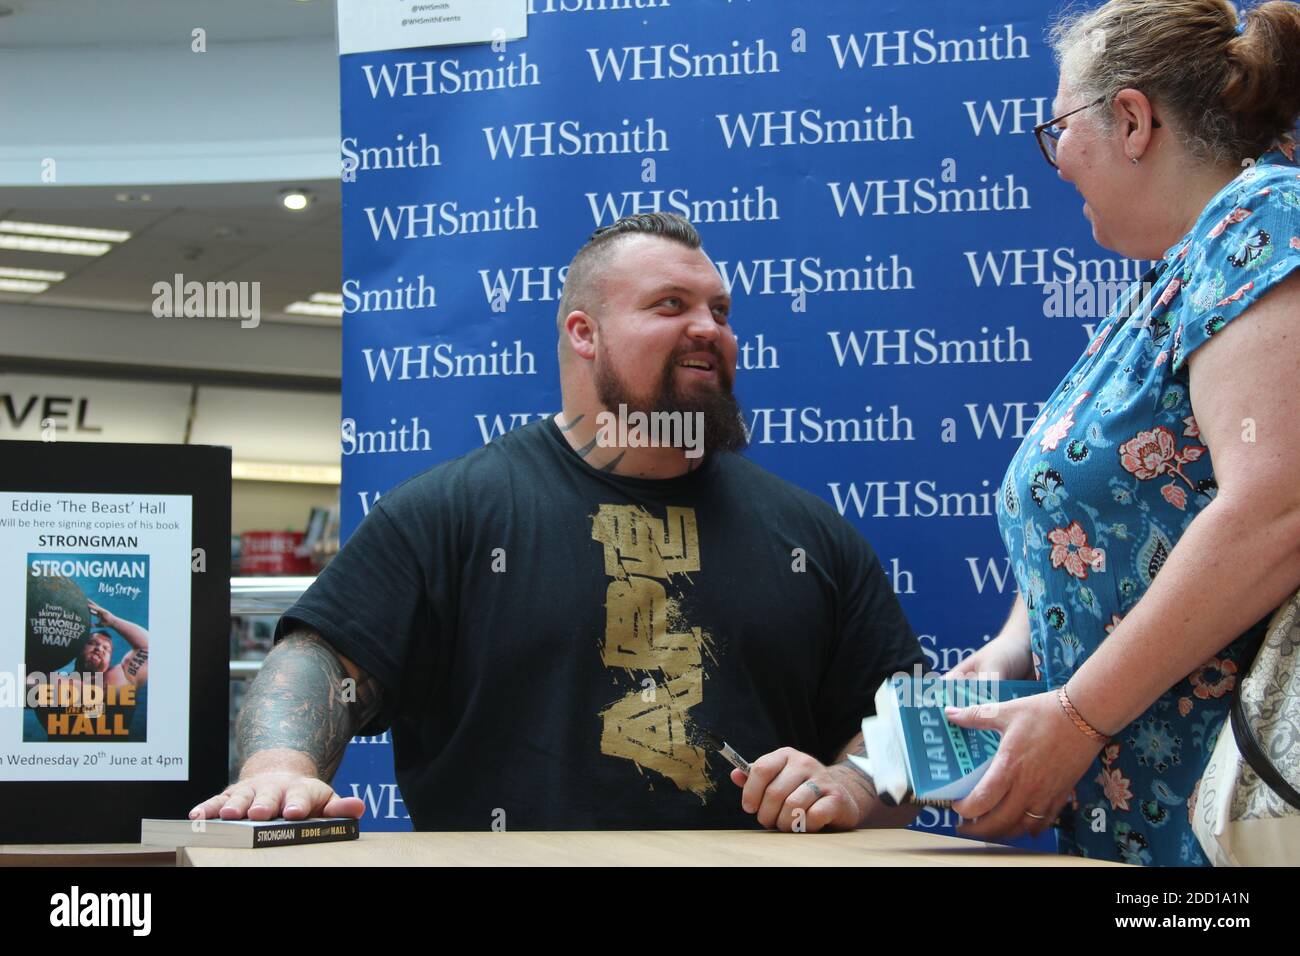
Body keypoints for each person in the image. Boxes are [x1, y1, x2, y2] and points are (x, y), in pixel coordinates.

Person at [193, 212, 924, 832]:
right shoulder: (452, 513)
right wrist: (280, 770)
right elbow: (317, 660)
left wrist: (852, 785)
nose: (709, 329)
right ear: (584, 332)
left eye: (721, 312)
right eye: (671, 305)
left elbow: (903, 730)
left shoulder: (809, 536)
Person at [944, 0, 1300, 865]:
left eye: (1058, 127)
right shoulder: (1170, 279)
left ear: (1134, 120)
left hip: (1231, 830)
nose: (1055, 157)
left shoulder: (1262, 220)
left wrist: (1076, 715)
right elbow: (1108, 517)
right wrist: (1012, 647)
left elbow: (1276, 509)